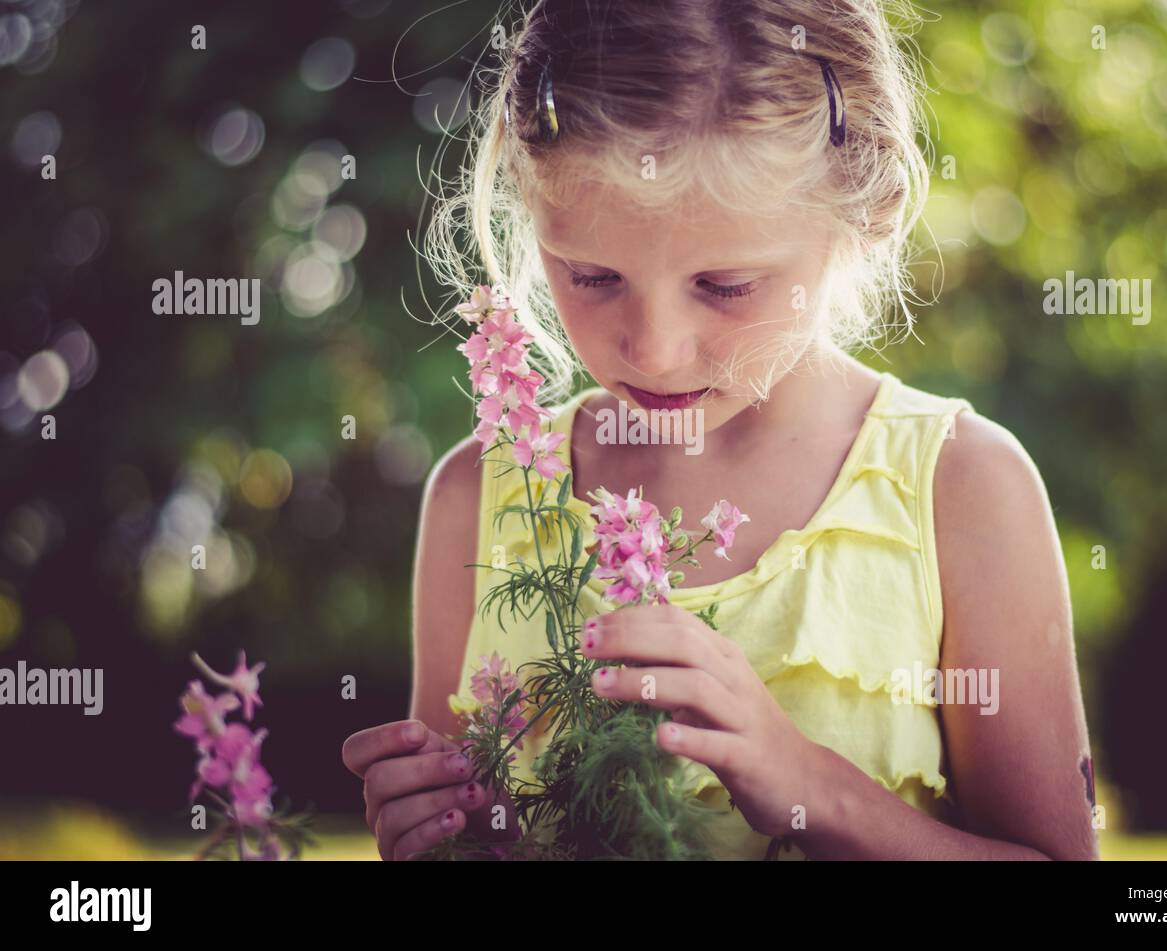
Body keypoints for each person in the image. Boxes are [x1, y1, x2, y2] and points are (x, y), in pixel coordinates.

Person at [343, 0, 1098, 860]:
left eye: (727, 285)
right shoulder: (478, 495)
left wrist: (812, 788)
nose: (654, 351)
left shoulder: (961, 488)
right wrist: (450, 836)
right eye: (592, 275)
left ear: (862, 215)